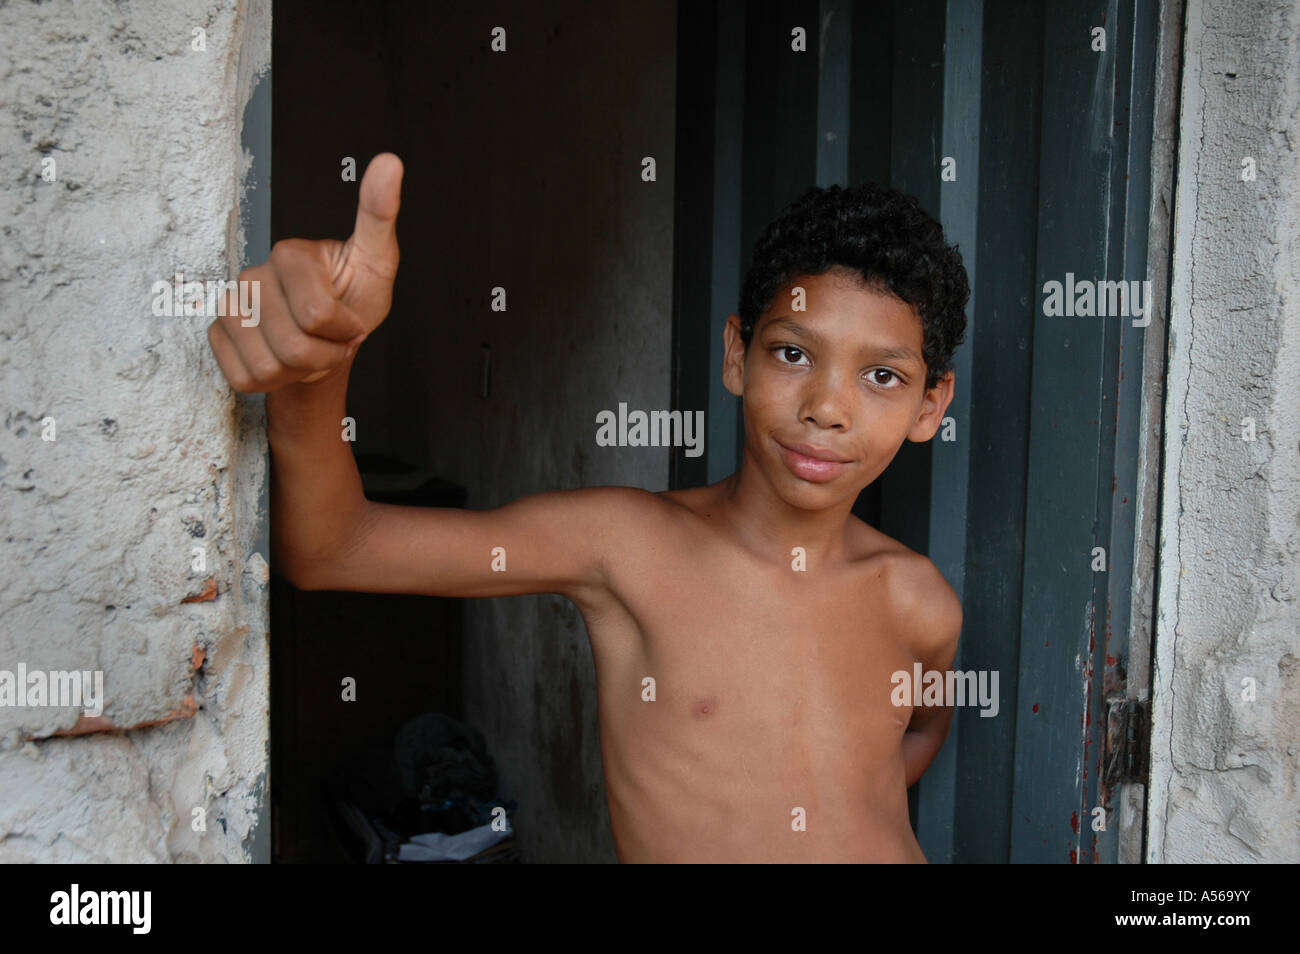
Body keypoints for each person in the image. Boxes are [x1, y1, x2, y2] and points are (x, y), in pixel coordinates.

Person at [208, 152, 969, 862]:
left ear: (930, 405)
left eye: (882, 377)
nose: (828, 408)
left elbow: (910, 742)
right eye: (793, 354)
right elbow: (335, 547)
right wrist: (314, 379)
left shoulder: (921, 602)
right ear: (738, 355)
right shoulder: (628, 547)